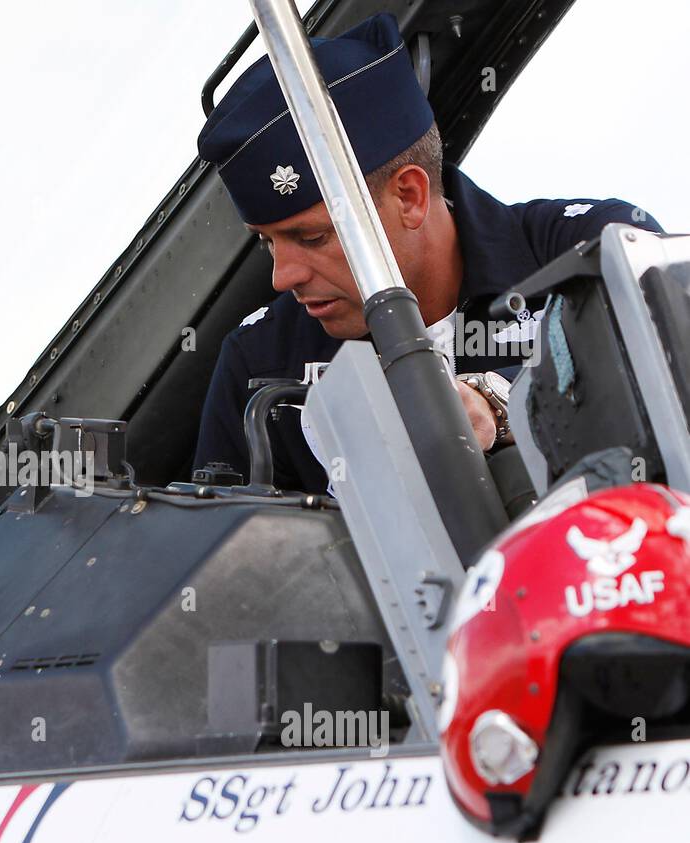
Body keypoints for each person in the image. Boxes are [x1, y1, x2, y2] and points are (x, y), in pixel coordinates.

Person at [193, 13, 660, 493]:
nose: (282, 276)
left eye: (313, 238)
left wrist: (495, 403)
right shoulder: (261, 363)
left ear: (410, 196)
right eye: (267, 242)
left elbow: (660, 386)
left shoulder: (592, 253)